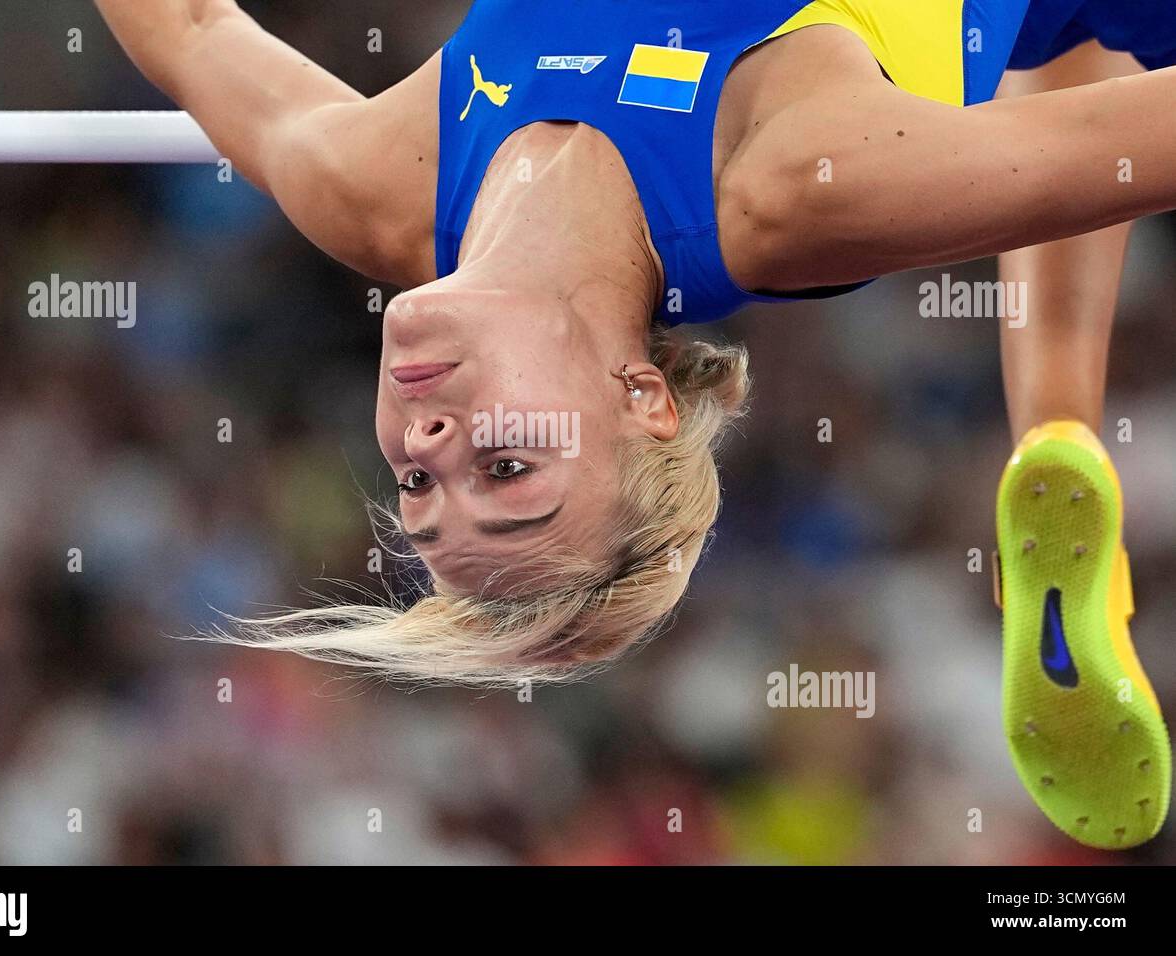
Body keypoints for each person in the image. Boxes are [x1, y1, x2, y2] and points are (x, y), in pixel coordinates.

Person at [92, 0, 1174, 845]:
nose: (427, 451)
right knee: (1069, 122)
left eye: (419, 491)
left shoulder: (378, 187)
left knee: (1062, 60)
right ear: (639, 396)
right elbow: (1120, 147)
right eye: (507, 468)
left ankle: (1058, 435)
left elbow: (192, 28)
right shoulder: (787, 187)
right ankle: (1057, 437)